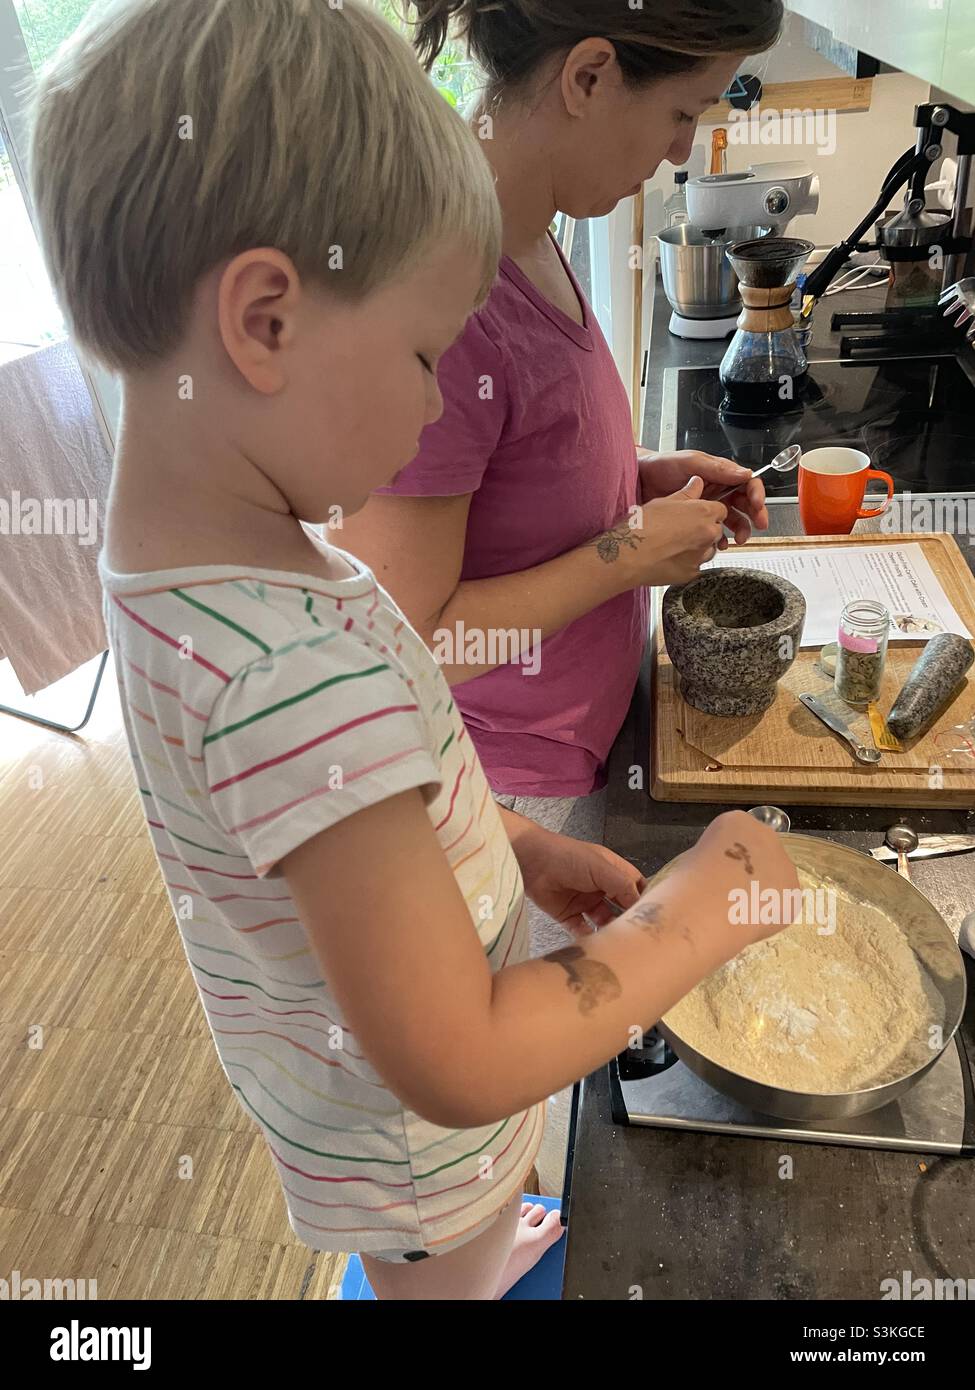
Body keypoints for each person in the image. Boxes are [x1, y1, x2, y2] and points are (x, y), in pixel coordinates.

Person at [30, 0, 799, 1299]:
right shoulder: (292, 668)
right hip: (411, 1152)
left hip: (344, 1080)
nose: (445, 401)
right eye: (423, 354)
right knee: (439, 1268)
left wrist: (516, 843)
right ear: (263, 320)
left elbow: (333, 825)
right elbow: (456, 1057)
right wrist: (689, 920)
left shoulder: (193, 568)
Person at [341, 0, 784, 1194]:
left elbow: (520, 479)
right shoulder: (454, 285)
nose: (683, 147)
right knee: (529, 1126)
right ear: (590, 74)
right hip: (504, 783)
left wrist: (637, 487)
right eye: (681, 109)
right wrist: (625, 557)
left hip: (576, 740)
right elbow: (409, 648)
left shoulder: (536, 229)